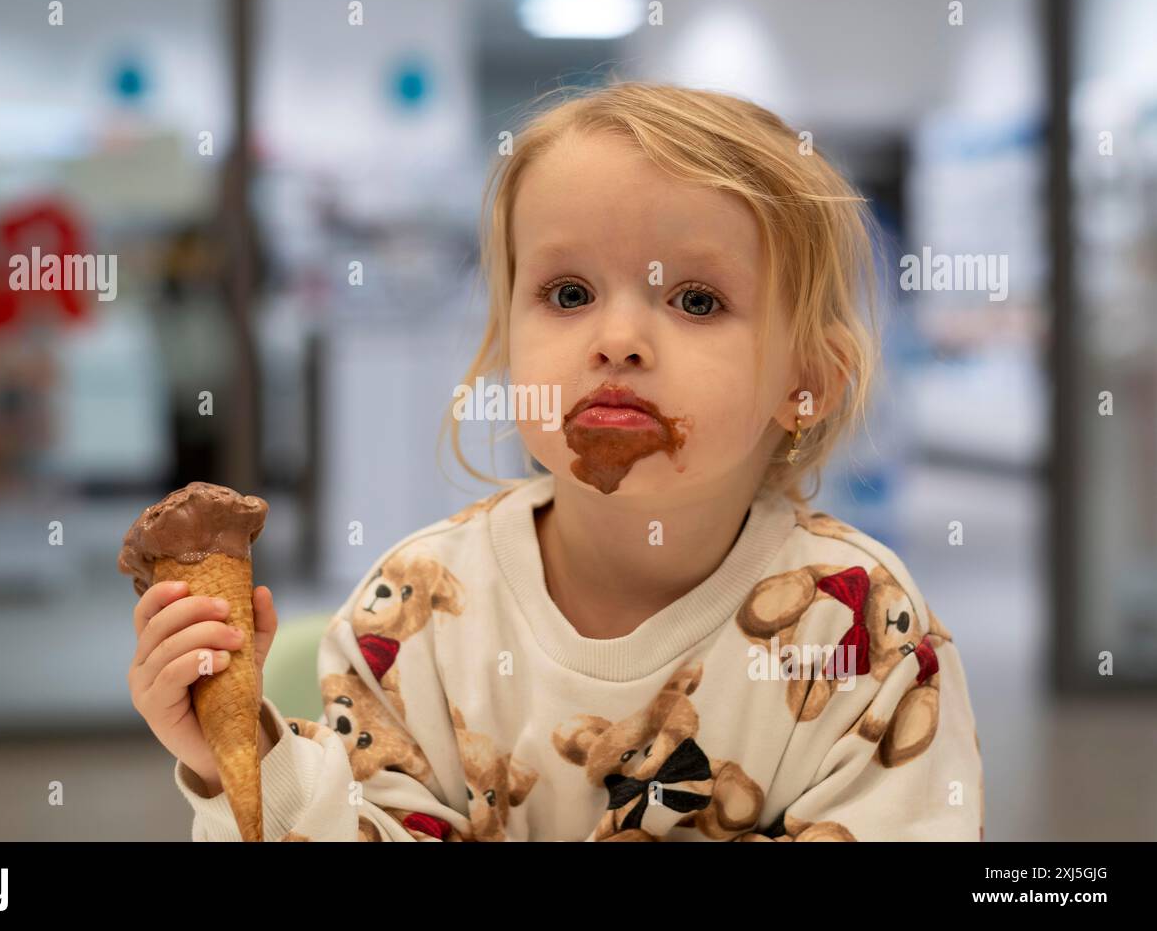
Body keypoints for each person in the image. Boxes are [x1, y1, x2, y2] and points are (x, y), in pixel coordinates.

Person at [128, 81, 983, 841]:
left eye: (696, 299)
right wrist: (236, 766)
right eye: (568, 294)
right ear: (504, 350)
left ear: (807, 381)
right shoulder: (415, 613)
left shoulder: (863, 632)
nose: (616, 340)